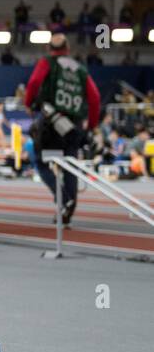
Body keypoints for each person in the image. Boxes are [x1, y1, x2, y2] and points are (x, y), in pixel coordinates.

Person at [24, 33, 101, 225]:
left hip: (52, 123)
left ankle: (63, 198)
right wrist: (91, 126)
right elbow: (95, 97)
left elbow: (33, 83)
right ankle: (69, 206)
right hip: (74, 126)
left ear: (50, 49)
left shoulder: (48, 63)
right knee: (70, 165)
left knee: (39, 160)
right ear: (68, 49)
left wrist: (28, 103)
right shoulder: (80, 70)